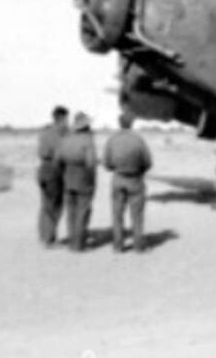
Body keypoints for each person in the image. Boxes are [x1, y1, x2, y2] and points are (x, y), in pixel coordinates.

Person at [104, 111, 153, 253]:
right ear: (131, 123)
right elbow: (148, 162)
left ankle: (118, 246)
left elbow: (106, 163)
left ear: (119, 123)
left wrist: (116, 168)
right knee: (137, 215)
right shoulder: (138, 140)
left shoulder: (112, 140)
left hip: (118, 179)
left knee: (117, 214)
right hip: (135, 180)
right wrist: (139, 171)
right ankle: (138, 246)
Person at [54, 112, 98, 251]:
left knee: (71, 212)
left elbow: (57, 161)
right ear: (86, 126)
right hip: (84, 179)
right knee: (82, 212)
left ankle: (72, 241)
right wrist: (92, 181)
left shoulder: (65, 139)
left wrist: (64, 173)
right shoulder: (88, 141)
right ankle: (78, 245)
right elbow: (91, 163)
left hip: (68, 178)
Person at [36, 105, 69, 246]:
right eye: (67, 118)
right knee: (55, 205)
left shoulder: (45, 132)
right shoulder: (61, 133)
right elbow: (62, 153)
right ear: (62, 118)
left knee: (45, 204)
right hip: (55, 170)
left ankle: (44, 234)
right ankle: (49, 238)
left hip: (42, 168)